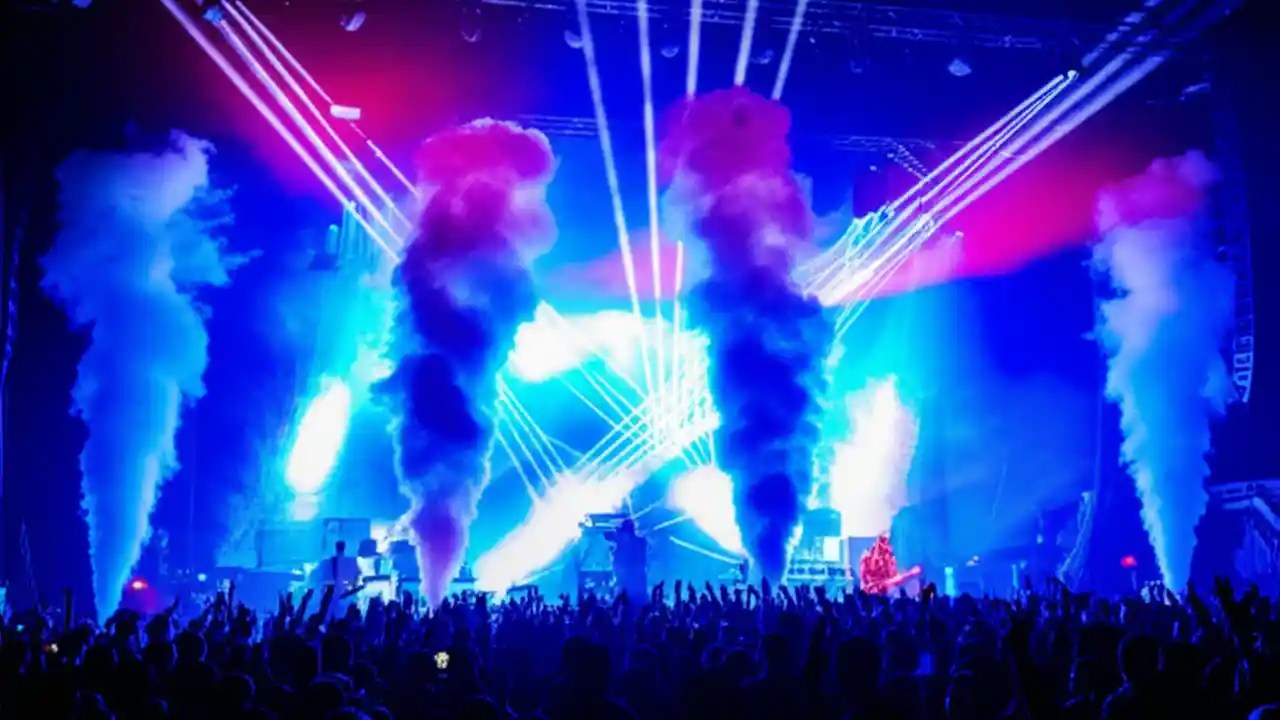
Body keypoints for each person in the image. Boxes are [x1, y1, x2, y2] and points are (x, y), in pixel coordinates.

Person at [609, 519, 648, 602]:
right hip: (634, 585)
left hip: (632, 585)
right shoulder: (640, 542)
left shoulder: (637, 544)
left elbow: (618, 565)